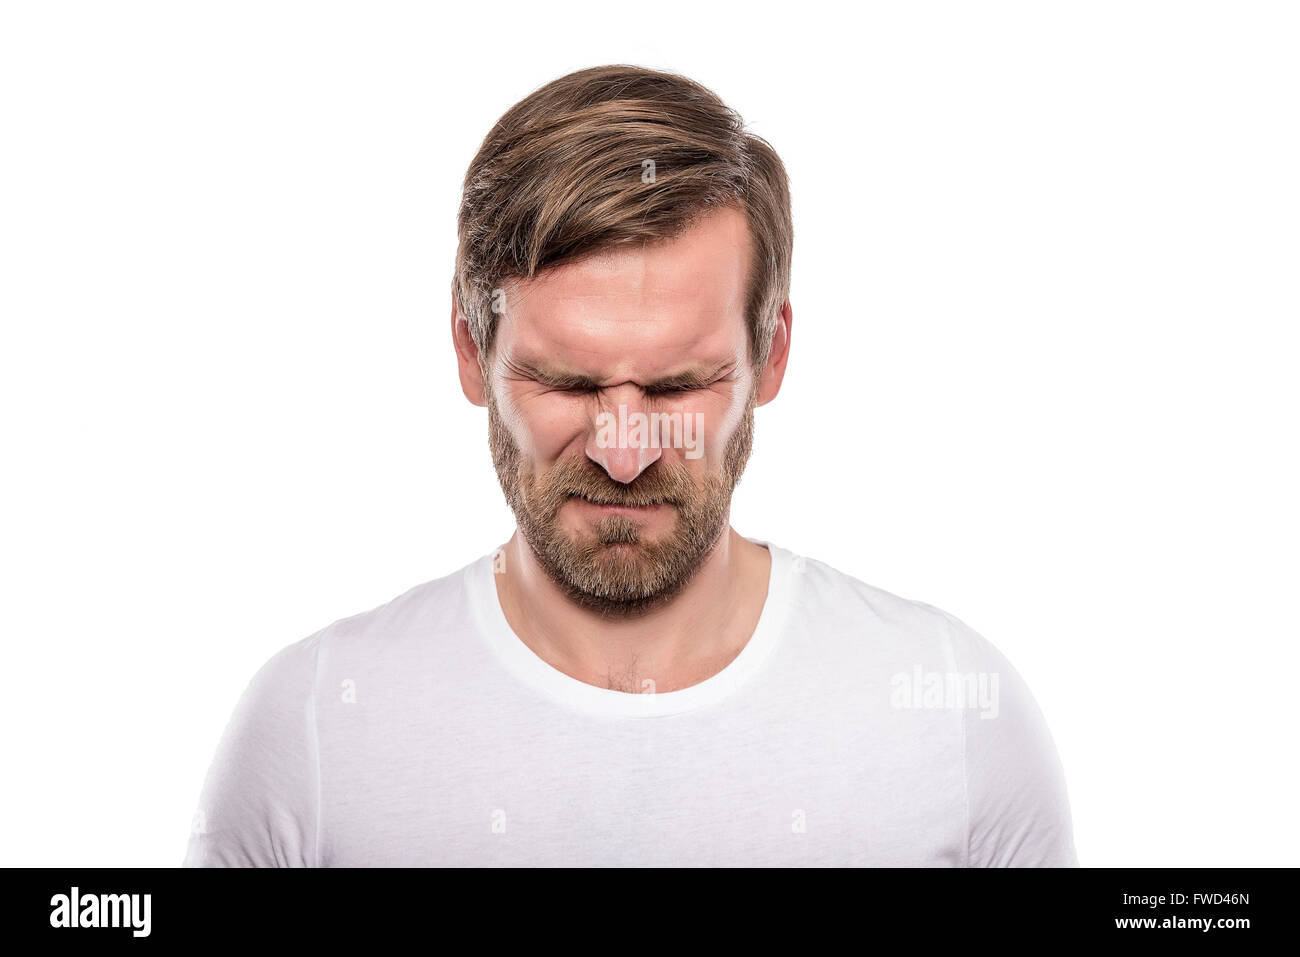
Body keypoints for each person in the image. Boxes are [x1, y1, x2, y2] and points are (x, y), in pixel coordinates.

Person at [183, 64, 1078, 867]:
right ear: (469, 349)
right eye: (567, 382)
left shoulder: (954, 717)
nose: (623, 453)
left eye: (678, 384)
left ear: (772, 354)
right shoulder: (311, 731)